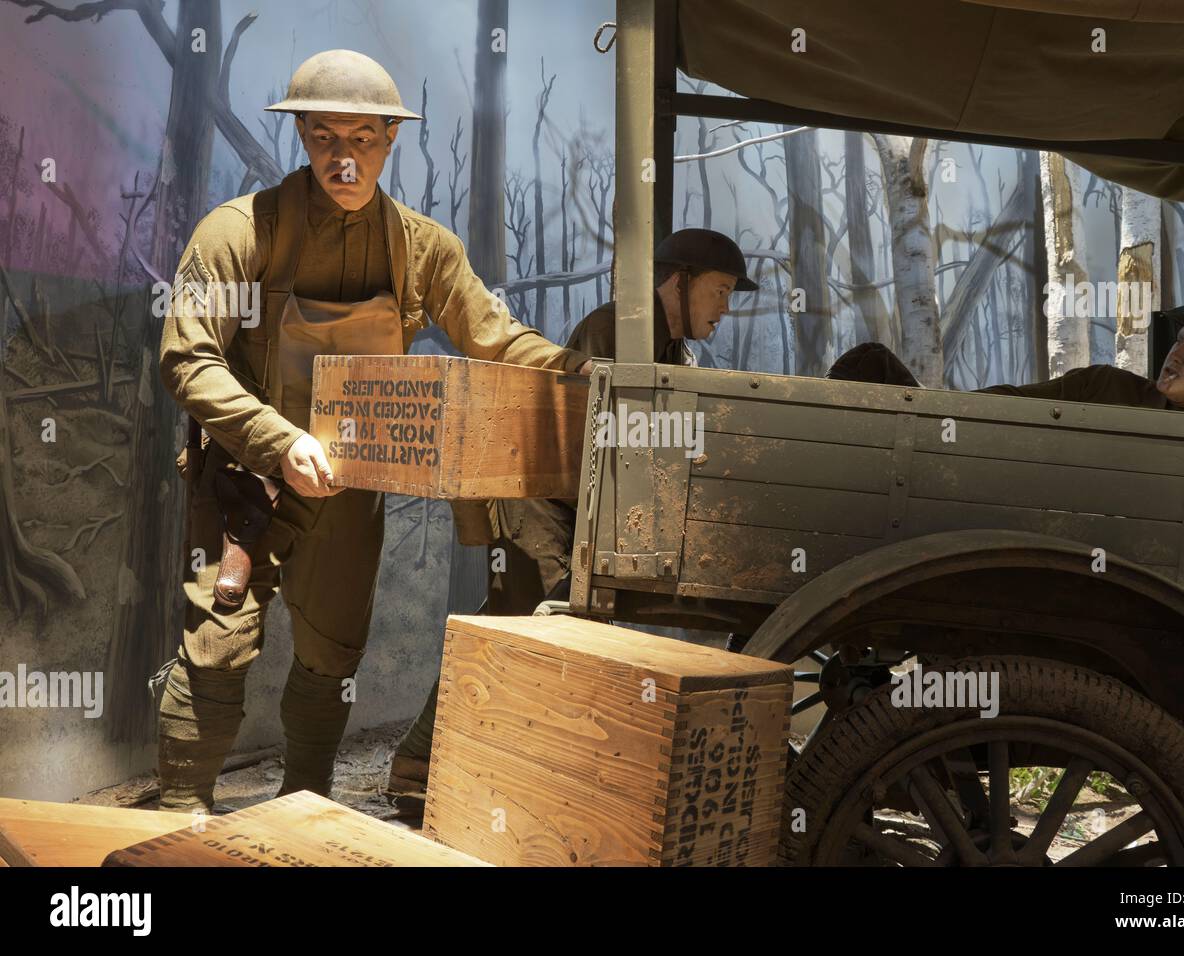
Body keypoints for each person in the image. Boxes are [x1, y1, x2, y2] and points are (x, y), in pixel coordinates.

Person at [155, 50, 591, 814]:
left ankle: (305, 810)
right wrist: (278, 440)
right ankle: (179, 815)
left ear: (391, 140)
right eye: (325, 137)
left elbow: (495, 339)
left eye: (361, 139)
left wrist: (581, 374)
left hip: (346, 491)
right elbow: (187, 360)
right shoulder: (238, 233)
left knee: (332, 658)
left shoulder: (421, 250)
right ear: (302, 139)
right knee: (218, 641)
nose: (343, 158)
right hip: (245, 482)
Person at [385, 228, 757, 813]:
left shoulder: (668, 350)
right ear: (677, 282)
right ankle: (426, 767)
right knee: (531, 627)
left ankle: (437, 765)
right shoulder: (618, 330)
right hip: (541, 502)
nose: (725, 307)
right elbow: (607, 448)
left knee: (519, 626)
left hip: (580, 512)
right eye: (721, 290)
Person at [829, 297, 1184, 413]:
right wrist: (929, 412)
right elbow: (1007, 402)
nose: (1175, 354)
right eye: (1178, 341)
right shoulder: (1105, 386)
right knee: (869, 363)